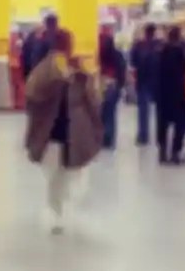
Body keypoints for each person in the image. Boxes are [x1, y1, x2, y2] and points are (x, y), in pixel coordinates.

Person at [24, 28, 103, 234]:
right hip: (55, 130)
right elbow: (34, 95)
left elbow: (91, 99)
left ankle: (60, 209)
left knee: (67, 174)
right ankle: (57, 212)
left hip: (70, 131)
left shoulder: (72, 69)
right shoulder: (48, 68)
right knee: (57, 175)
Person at [154, 26, 185, 164]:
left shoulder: (161, 52)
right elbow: (184, 71)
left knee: (162, 123)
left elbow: (156, 71)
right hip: (178, 92)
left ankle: (162, 151)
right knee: (179, 124)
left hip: (163, 93)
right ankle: (175, 152)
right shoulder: (181, 52)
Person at [129, 24, 160, 146]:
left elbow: (133, 62)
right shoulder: (159, 45)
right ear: (154, 32)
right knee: (159, 111)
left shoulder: (138, 45)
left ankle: (143, 136)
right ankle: (159, 137)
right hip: (157, 81)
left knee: (143, 110)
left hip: (142, 80)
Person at [98, 32, 128, 150]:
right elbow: (122, 70)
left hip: (101, 84)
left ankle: (103, 138)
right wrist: (120, 85)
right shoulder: (117, 55)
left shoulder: (99, 55)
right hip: (113, 85)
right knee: (111, 112)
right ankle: (109, 138)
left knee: (102, 112)